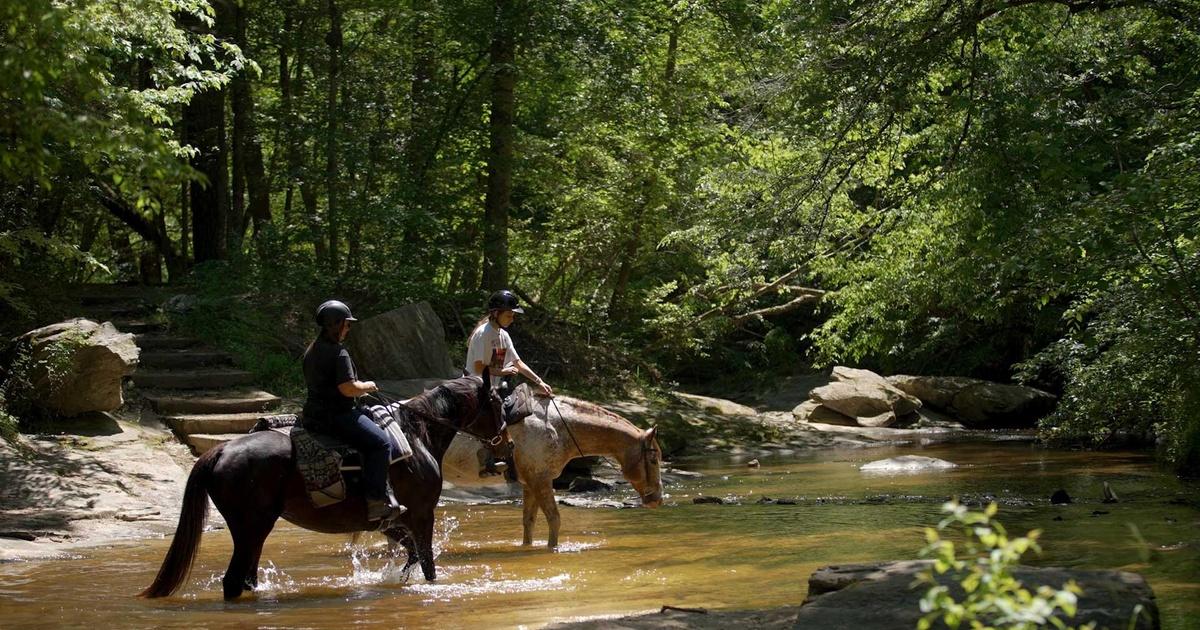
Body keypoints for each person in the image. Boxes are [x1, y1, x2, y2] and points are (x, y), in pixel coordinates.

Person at [302, 300, 404, 524]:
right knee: (381, 443)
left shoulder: (312, 349)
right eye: (346, 324)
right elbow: (348, 388)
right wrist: (368, 386)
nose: (348, 329)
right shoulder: (339, 353)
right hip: (337, 416)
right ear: (335, 324)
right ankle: (376, 502)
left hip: (313, 415)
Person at [465, 290, 551, 477]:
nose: (512, 319)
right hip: (475, 385)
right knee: (494, 414)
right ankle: (486, 460)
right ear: (496, 313)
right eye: (509, 315)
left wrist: (539, 381)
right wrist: (503, 371)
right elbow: (479, 368)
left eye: (513, 315)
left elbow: (518, 363)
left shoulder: (503, 335)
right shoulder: (483, 334)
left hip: (494, 385)